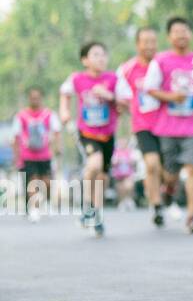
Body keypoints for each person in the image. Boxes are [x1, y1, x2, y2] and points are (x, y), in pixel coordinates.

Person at [144, 18, 193, 234]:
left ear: (190, 34)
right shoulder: (161, 61)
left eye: (185, 30)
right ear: (169, 37)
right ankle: (168, 189)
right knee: (171, 174)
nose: (181, 35)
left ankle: (192, 216)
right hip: (168, 127)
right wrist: (171, 96)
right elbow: (149, 88)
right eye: (176, 31)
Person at [59, 41, 132, 237]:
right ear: (85, 60)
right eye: (95, 55)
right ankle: (86, 205)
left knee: (103, 176)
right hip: (87, 133)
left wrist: (109, 96)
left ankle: (95, 214)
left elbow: (127, 105)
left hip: (108, 134)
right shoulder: (77, 79)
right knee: (94, 165)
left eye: (103, 54)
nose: (101, 58)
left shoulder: (115, 79)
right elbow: (64, 94)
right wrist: (65, 113)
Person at [116, 28, 165, 225]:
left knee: (168, 171)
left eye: (153, 41)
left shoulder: (163, 64)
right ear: (138, 44)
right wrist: (128, 106)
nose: (150, 46)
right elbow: (120, 96)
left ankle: (166, 193)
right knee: (152, 164)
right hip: (143, 125)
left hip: (168, 125)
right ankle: (156, 205)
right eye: (145, 42)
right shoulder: (127, 69)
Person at [13, 87, 60, 222]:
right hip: (28, 155)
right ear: (29, 99)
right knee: (32, 181)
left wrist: (57, 149)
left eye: (37, 97)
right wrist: (16, 157)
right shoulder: (21, 116)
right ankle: (34, 209)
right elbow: (16, 137)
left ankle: (49, 203)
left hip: (45, 155)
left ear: (41, 98)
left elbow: (56, 132)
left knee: (47, 182)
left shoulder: (48, 114)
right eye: (32, 97)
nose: (35, 100)